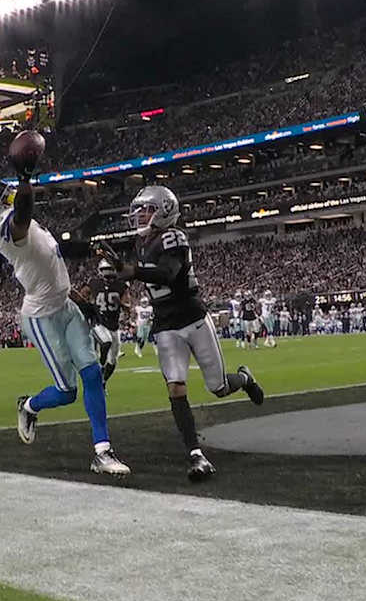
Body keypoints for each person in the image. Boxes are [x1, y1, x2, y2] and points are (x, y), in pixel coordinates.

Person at [0, 132, 129, 476]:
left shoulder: (12, 218)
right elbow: (23, 213)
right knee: (67, 392)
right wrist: (24, 179)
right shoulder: (4, 227)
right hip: (41, 317)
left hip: (65, 307)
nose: (0, 192)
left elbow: (50, 265)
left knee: (93, 375)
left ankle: (102, 451)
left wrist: (79, 298)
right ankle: (29, 405)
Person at [99, 185, 264, 482]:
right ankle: (195, 454)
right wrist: (126, 270)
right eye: (138, 210)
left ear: (164, 210)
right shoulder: (141, 244)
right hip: (165, 326)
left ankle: (245, 378)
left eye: (146, 209)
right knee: (176, 388)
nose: (139, 215)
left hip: (193, 319)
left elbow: (168, 273)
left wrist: (132, 271)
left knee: (219, 387)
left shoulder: (173, 236)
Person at [75, 259, 131, 382]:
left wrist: (122, 305)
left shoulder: (121, 284)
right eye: (105, 270)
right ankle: (100, 364)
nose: (108, 273)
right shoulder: (94, 283)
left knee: (113, 361)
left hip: (114, 325)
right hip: (98, 320)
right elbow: (81, 295)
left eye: (109, 270)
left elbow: (128, 307)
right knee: (106, 342)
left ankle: (103, 381)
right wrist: (86, 305)